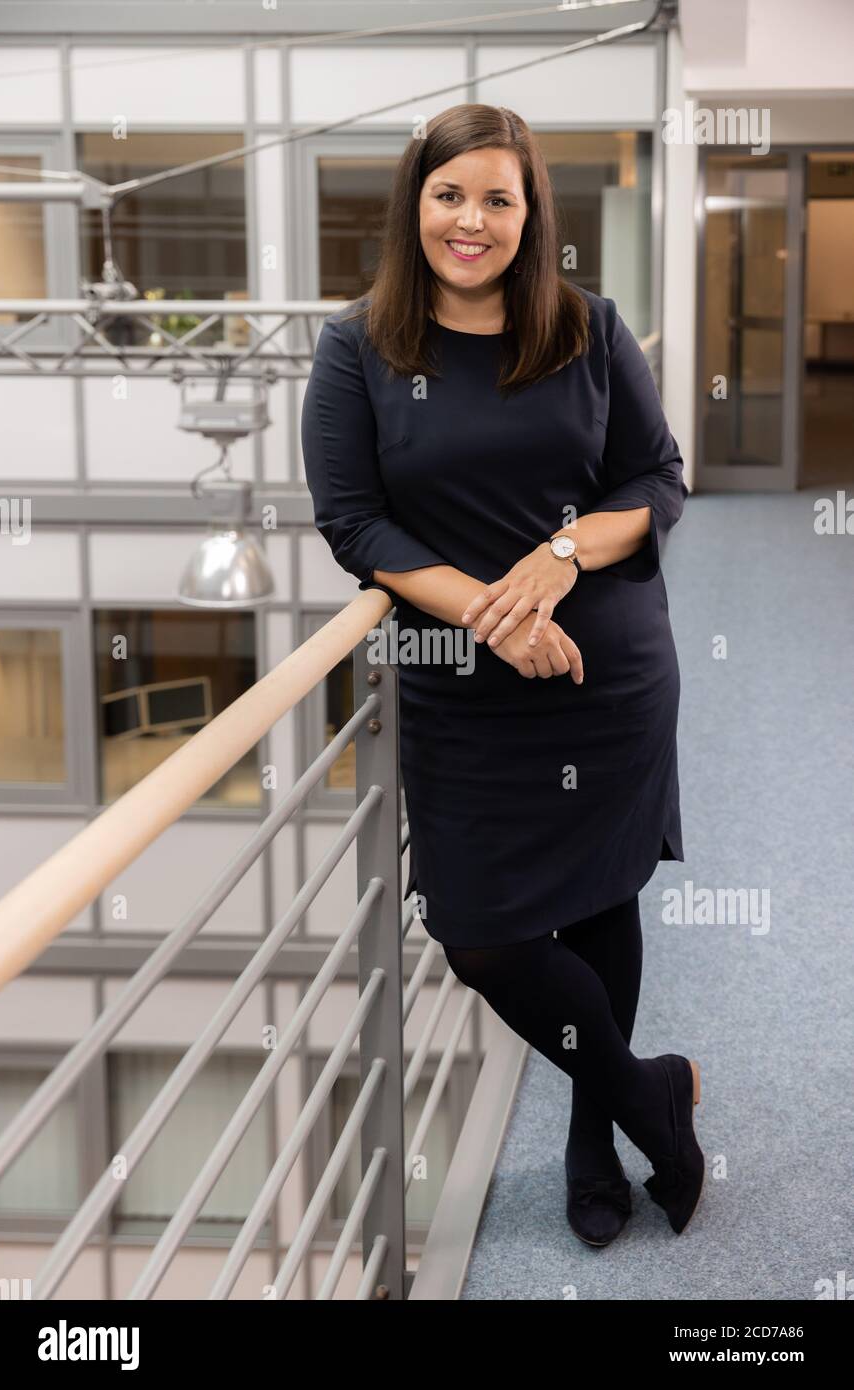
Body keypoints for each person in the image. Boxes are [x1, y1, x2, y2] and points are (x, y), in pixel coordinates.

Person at [301, 103, 704, 1243]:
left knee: (598, 902)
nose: (470, 221)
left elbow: (654, 480)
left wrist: (562, 551)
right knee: (478, 933)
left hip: (603, 669)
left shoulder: (586, 326)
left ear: (530, 216)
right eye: (449, 195)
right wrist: (491, 612)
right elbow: (355, 524)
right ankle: (646, 1095)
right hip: (460, 683)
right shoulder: (359, 350)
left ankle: (591, 1138)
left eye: (497, 199)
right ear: (413, 202)